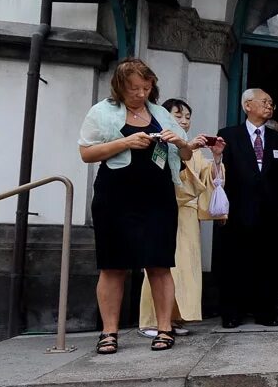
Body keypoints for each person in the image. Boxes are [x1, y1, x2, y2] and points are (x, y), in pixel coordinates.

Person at [78, 58, 195, 353]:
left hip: (157, 197)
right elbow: (86, 153)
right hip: (114, 196)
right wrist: (125, 143)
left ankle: (165, 328)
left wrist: (178, 143)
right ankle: (109, 332)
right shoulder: (101, 112)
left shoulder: (160, 114)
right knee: (113, 265)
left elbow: (185, 156)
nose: (141, 93)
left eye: (146, 87)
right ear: (120, 87)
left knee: (159, 263)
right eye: (134, 88)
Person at [137, 99, 225, 337]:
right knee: (159, 266)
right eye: (178, 116)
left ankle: (172, 318)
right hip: (163, 210)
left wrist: (216, 157)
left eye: (187, 116)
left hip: (187, 216)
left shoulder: (191, 148)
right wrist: (190, 148)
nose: (184, 120)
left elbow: (211, 180)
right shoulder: (159, 142)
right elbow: (171, 177)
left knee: (185, 269)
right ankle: (150, 321)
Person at [215, 88, 278, 328]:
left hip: (270, 212)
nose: (270, 106)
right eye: (265, 102)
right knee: (234, 262)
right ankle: (232, 312)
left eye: (271, 103)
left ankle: (266, 311)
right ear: (248, 105)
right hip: (238, 210)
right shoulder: (228, 136)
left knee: (268, 263)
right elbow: (221, 172)